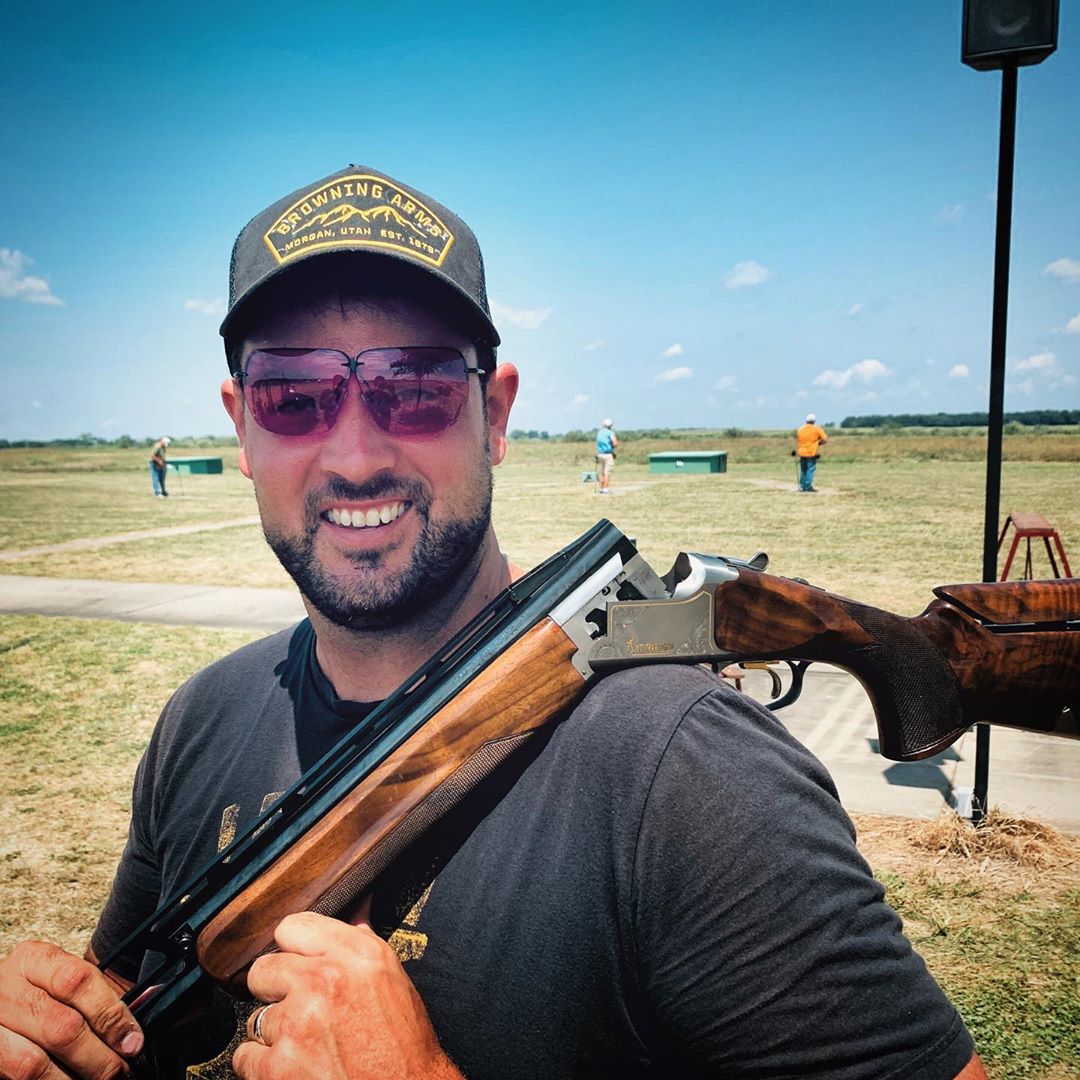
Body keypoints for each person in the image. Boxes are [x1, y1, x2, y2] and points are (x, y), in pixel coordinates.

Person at [0, 165, 987, 1080]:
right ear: (241, 425)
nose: (354, 456)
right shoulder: (201, 717)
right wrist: (51, 1036)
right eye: (293, 397)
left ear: (497, 413)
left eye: (415, 389)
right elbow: (126, 1014)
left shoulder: (692, 771)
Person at [795, 411, 828, 491]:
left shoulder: (800, 429)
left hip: (802, 452)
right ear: (814, 421)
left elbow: (798, 439)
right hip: (811, 452)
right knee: (810, 469)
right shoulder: (817, 428)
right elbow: (825, 439)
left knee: (803, 469)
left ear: (806, 420)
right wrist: (819, 443)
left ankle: (802, 486)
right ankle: (808, 486)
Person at [594, 418, 618, 494]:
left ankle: (601, 488)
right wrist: (612, 447)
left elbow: (597, 444)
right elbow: (615, 443)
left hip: (600, 454)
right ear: (610, 425)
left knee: (601, 472)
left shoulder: (599, 432)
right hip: (608, 454)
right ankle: (605, 489)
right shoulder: (610, 433)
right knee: (607, 472)